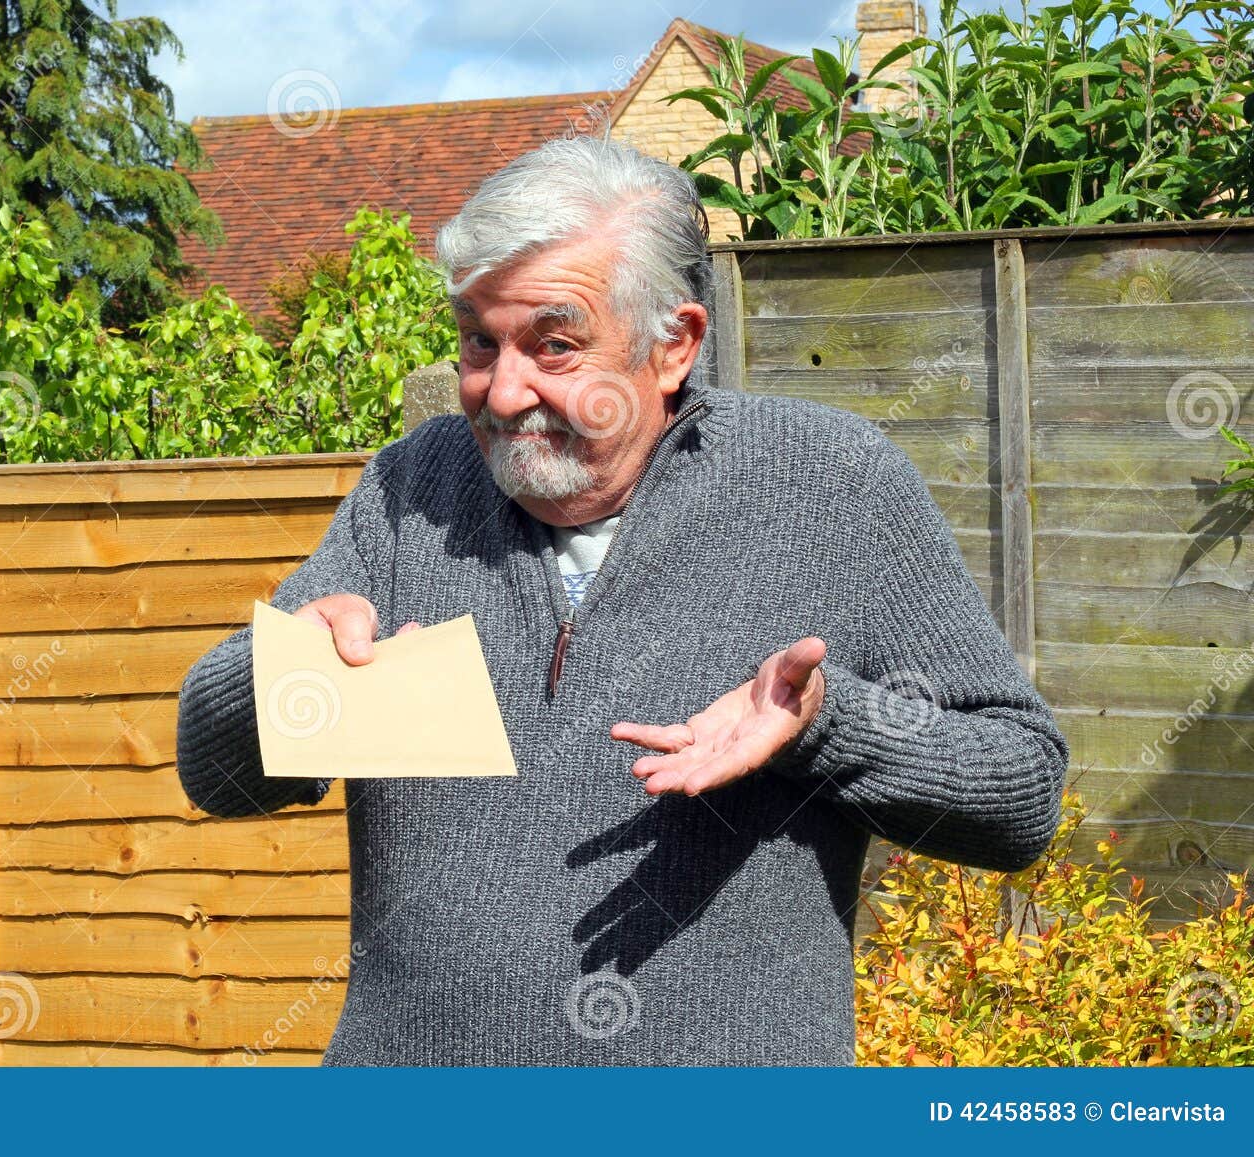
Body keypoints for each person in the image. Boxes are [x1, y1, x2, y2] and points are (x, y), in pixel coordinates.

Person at [175, 133, 1069, 1065]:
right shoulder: (411, 491)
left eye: (554, 346)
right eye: (480, 339)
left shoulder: (831, 485)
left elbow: (1021, 792)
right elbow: (216, 773)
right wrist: (279, 676)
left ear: (674, 343)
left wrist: (825, 723)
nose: (503, 389)